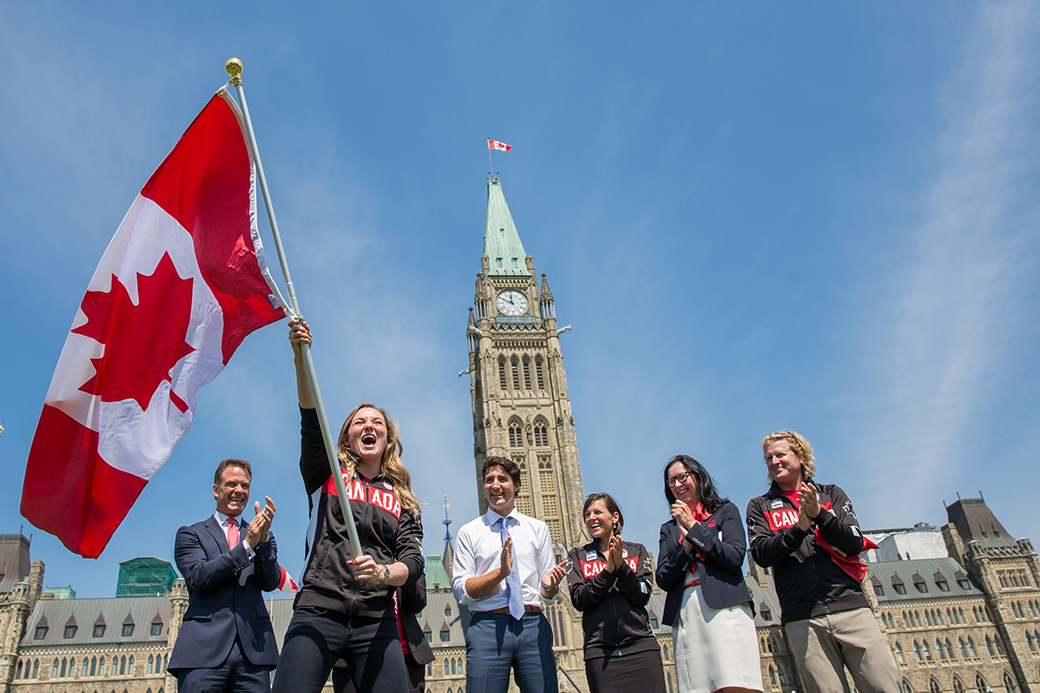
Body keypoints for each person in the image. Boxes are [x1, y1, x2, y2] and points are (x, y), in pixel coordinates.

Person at [273, 319, 424, 693]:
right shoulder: (328, 473)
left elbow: (413, 561)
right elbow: (310, 417)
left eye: (377, 422)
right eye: (360, 422)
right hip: (318, 611)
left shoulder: (402, 496)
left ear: (388, 438)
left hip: (376, 621)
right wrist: (299, 358)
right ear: (346, 435)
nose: (368, 426)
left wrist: (386, 574)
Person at [746, 430, 899, 693]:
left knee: (884, 686)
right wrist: (799, 529)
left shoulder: (831, 494)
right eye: (768, 458)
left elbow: (854, 541)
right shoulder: (760, 506)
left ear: (800, 456)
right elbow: (761, 553)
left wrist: (820, 516)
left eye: (780, 455)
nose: (774, 462)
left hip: (851, 609)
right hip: (802, 619)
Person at [451, 456, 568, 693]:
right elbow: (462, 592)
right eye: (489, 480)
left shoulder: (538, 529)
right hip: (487, 626)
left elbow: (547, 595)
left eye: (502, 479)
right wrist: (500, 574)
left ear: (516, 486)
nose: (495, 485)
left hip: (532, 623)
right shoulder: (469, 532)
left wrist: (550, 586)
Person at [168, 458, 280, 693]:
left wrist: (263, 543)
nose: (238, 491)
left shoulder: (262, 535)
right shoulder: (191, 534)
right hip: (202, 653)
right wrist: (247, 546)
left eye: (245, 486)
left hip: (253, 654)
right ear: (216, 490)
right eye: (231, 484)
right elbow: (199, 577)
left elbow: (269, 582)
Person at [657, 455, 763, 693]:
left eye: (682, 477)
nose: (677, 485)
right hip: (686, 611)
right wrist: (685, 549)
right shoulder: (669, 529)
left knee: (735, 683)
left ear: (698, 476)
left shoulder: (725, 511)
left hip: (725, 608)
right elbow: (664, 577)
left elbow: (734, 557)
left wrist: (694, 528)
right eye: (671, 481)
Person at [567, 493, 666, 693]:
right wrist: (608, 572)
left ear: (615, 517)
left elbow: (643, 594)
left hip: (641, 648)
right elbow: (580, 599)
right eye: (587, 514)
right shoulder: (578, 556)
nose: (591, 518)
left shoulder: (636, 551)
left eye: (597, 512)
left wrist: (621, 568)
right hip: (601, 654)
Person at [333, 576, 435, 693]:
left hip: (405, 656)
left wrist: (404, 571)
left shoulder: (408, 558)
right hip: (354, 654)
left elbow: (418, 602)